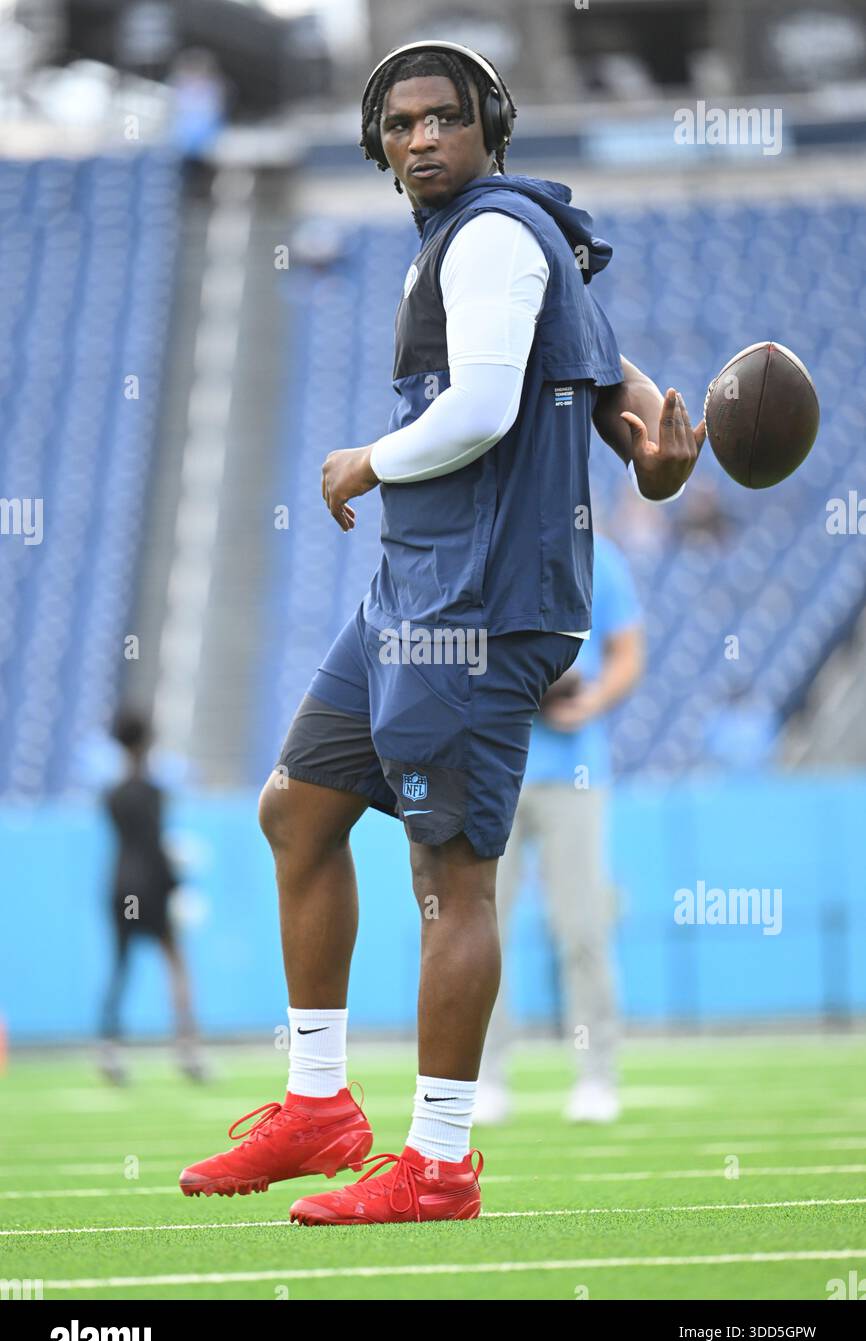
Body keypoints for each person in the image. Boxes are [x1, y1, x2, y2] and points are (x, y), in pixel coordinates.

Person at [179, 40, 702, 1222]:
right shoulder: (499, 239)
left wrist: (367, 454)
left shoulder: (494, 234)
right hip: (416, 592)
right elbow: (606, 378)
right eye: (400, 124)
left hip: (477, 603)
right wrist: (648, 446)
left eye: (442, 120)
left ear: (489, 129)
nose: (420, 140)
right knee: (297, 807)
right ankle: (319, 1106)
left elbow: (477, 409)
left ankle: (441, 1161)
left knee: (448, 880)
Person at [474, 535, 644, 1126]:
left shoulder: (601, 559)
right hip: (498, 766)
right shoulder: (493, 552)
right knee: (483, 933)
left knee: (582, 927)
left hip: (575, 771)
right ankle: (486, 1075)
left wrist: (591, 701)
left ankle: (597, 1075)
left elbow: (627, 651)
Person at [99, 711, 206, 1085]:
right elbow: (153, 845)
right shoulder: (154, 792)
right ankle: (188, 1052)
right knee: (176, 963)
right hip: (151, 886)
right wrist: (177, 885)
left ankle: (110, 1051)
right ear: (146, 742)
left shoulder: (111, 794)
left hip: (119, 885)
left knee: (120, 966)